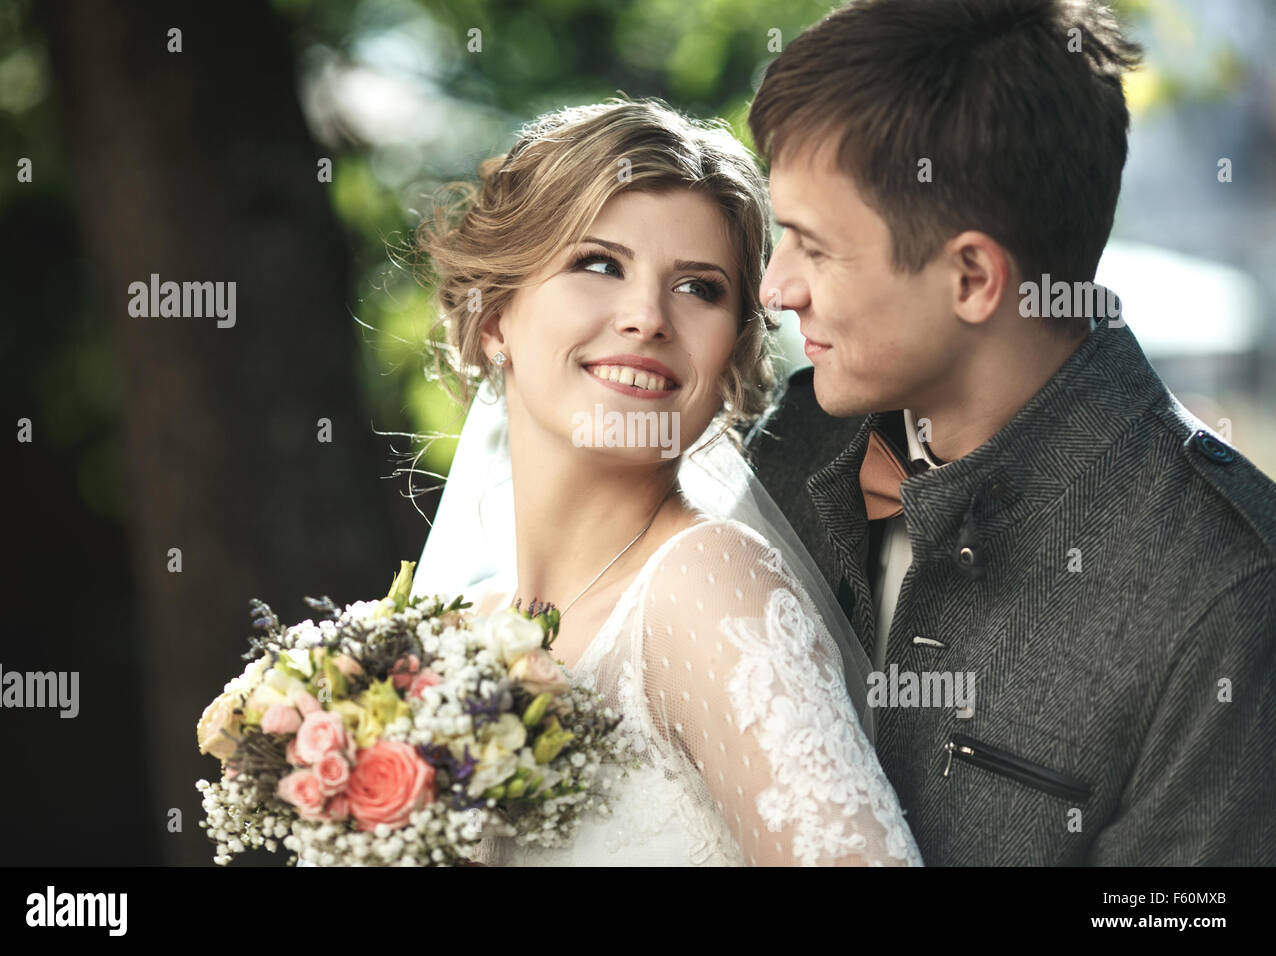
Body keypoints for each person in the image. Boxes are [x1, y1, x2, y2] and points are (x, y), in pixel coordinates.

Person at [744, 0, 1276, 865]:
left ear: (972, 278)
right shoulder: (788, 441)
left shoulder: (1231, 593)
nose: (775, 288)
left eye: (814, 247)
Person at [413, 96, 922, 866]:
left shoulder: (704, 583)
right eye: (598, 264)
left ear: (732, 354)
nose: (648, 316)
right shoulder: (451, 636)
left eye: (698, 288)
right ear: (493, 318)